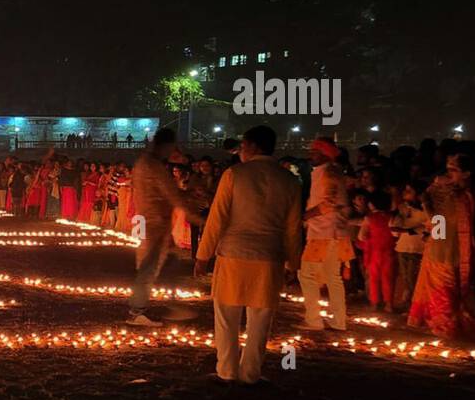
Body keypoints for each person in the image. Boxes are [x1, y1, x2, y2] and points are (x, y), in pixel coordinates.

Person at [194, 126, 302, 386]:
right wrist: (293, 263)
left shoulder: (235, 174)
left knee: (226, 316)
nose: (240, 151)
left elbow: (217, 218)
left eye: (242, 146)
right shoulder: (289, 181)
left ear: (252, 147)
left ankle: (227, 370)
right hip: (269, 257)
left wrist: (203, 255)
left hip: (234, 254)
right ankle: (251, 373)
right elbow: (293, 227)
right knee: (260, 319)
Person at [128, 128, 201, 326]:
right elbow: (172, 195)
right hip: (154, 223)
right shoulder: (154, 166)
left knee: (150, 264)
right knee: (150, 266)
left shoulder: (142, 162)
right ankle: (138, 311)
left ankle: (146, 308)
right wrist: (197, 217)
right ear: (167, 145)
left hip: (144, 219)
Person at [408, 153, 475, 337]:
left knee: (452, 290)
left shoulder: (467, 196)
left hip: (457, 250)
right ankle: (443, 326)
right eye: (448, 169)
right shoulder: (443, 190)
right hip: (442, 249)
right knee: (443, 289)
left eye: (454, 170)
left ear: (467, 173)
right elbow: (437, 221)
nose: (449, 174)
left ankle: (449, 326)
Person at [297, 137, 352, 331]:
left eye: (314, 152)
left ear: (324, 154)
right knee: (332, 277)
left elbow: (328, 203)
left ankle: (314, 320)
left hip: (325, 233)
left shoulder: (328, 173)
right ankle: (338, 321)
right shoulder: (329, 172)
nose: (310, 154)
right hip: (332, 232)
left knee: (307, 275)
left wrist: (304, 216)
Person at [357, 189, 398, 313]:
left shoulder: (369, 218)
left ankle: (374, 302)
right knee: (388, 278)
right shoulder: (391, 217)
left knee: (374, 278)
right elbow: (396, 233)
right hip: (389, 251)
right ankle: (389, 304)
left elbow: (361, 236)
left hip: (374, 252)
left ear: (371, 204)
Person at [392, 180, 427, 310]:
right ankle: (411, 306)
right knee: (406, 278)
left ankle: (417, 307)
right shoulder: (404, 208)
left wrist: (408, 230)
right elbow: (394, 226)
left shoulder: (427, 209)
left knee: (413, 280)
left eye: (409, 191)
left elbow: (433, 229)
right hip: (403, 246)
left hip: (418, 248)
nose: (405, 193)